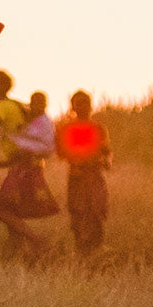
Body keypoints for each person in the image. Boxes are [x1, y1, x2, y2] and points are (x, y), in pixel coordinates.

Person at [0, 70, 56, 256]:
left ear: (1, 87)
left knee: (1, 210)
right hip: (24, 165)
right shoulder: (12, 106)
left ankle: (38, 242)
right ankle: (16, 256)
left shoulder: (3, 106)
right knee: (12, 212)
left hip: (23, 168)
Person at [56, 90, 111, 256]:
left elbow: (107, 151)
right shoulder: (67, 129)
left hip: (94, 176)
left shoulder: (98, 128)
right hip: (77, 177)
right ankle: (81, 250)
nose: (83, 106)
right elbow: (62, 153)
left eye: (85, 102)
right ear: (73, 107)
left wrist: (106, 161)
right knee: (78, 213)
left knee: (96, 213)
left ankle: (96, 250)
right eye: (78, 103)